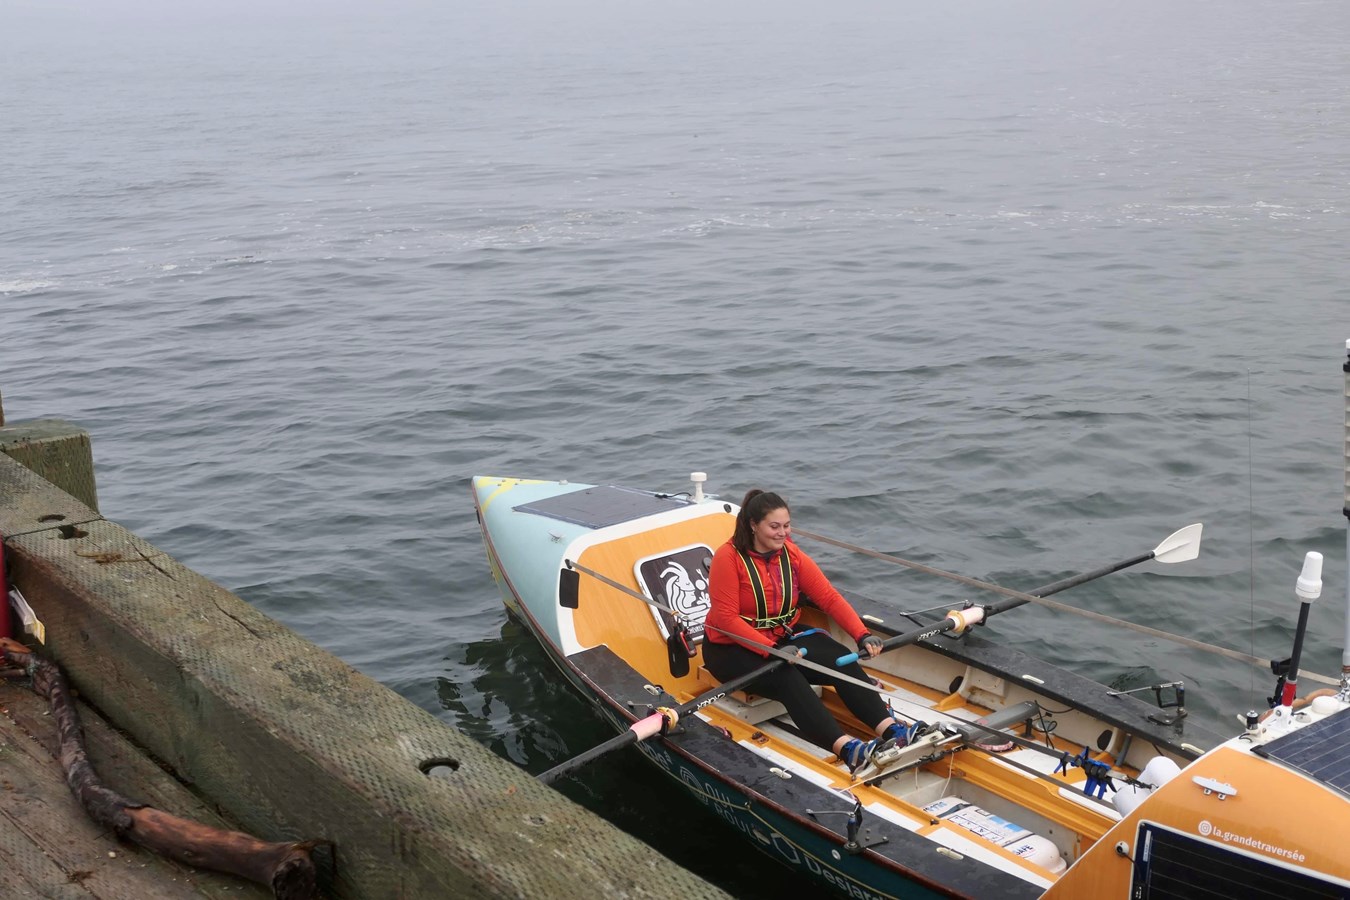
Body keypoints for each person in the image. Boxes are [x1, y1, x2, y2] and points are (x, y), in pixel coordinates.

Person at [704, 489, 927, 772]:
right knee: (786, 675)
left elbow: (828, 597)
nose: (782, 533)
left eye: (786, 526)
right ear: (752, 525)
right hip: (730, 649)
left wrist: (862, 634)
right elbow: (724, 618)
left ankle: (891, 730)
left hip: (781, 637)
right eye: (774, 526)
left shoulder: (791, 554)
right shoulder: (728, 557)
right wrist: (772, 650)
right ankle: (849, 749)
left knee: (840, 658)